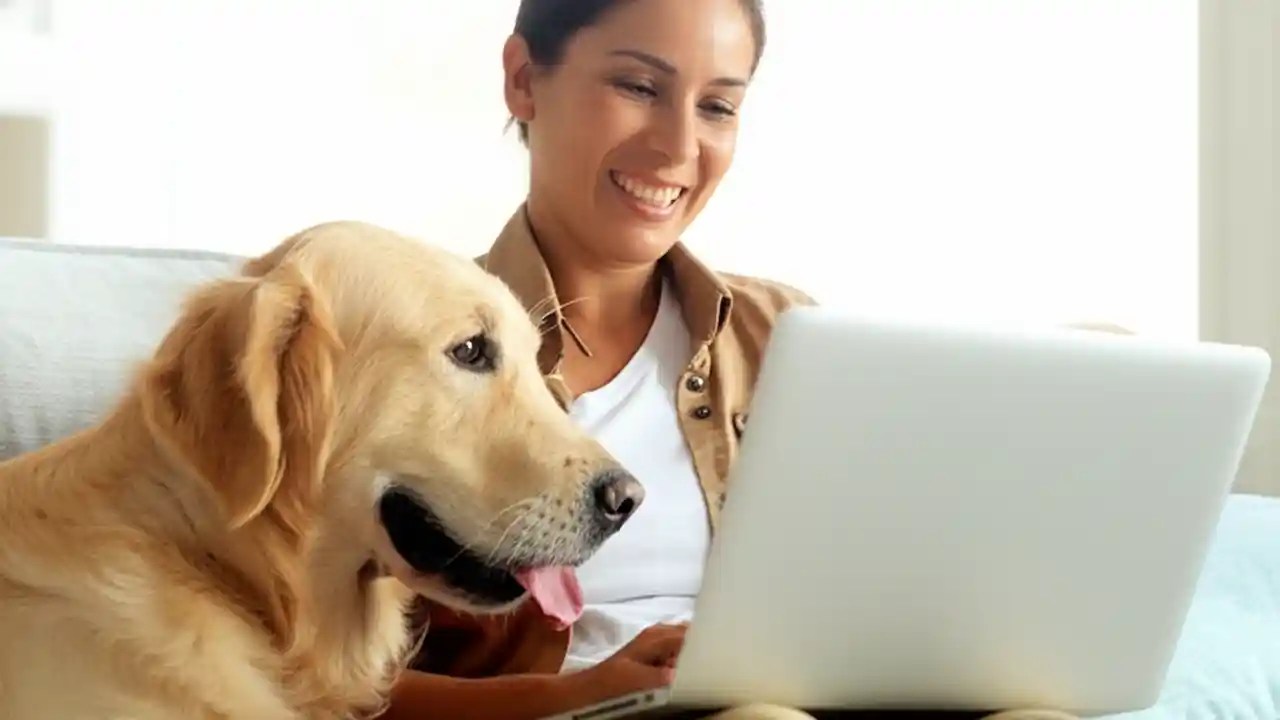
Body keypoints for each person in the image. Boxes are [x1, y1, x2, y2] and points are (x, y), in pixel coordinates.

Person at [381, 2, 1086, 719]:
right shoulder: (415, 350)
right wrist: (572, 694)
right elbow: (319, 679)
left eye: (717, 106)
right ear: (525, 79)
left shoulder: (787, 336)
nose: (680, 147)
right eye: (639, 87)